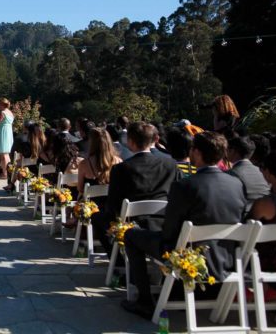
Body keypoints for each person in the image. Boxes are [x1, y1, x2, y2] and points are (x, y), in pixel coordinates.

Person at [121, 131, 246, 320]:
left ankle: (144, 301)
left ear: (196, 152)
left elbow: (170, 231)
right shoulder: (236, 183)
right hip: (225, 255)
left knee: (131, 235)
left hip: (187, 252)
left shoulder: (186, 185)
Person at [90, 122, 181, 258]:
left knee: (96, 217)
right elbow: (177, 195)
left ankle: (118, 261)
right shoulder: (171, 165)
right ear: (153, 140)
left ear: (130, 141)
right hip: (163, 221)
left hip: (131, 223)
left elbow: (113, 203)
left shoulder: (120, 169)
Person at [247, 151, 276, 290]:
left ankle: (271, 291)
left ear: (268, 173)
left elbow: (248, 228)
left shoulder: (266, 203)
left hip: (270, 261)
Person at [227, 136, 270, 213]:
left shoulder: (230, 174)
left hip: (243, 218)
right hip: (267, 214)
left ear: (233, 151)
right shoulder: (262, 171)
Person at [76, 127, 121, 196]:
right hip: (111, 204)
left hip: (91, 205)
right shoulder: (118, 161)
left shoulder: (84, 164)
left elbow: (80, 188)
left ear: (91, 143)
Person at [0, 98, 14, 179]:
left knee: (3, 154)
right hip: (8, 133)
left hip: (2, 133)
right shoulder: (10, 112)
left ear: (1, 104)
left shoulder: (2, 113)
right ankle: (8, 172)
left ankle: (5, 174)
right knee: (6, 154)